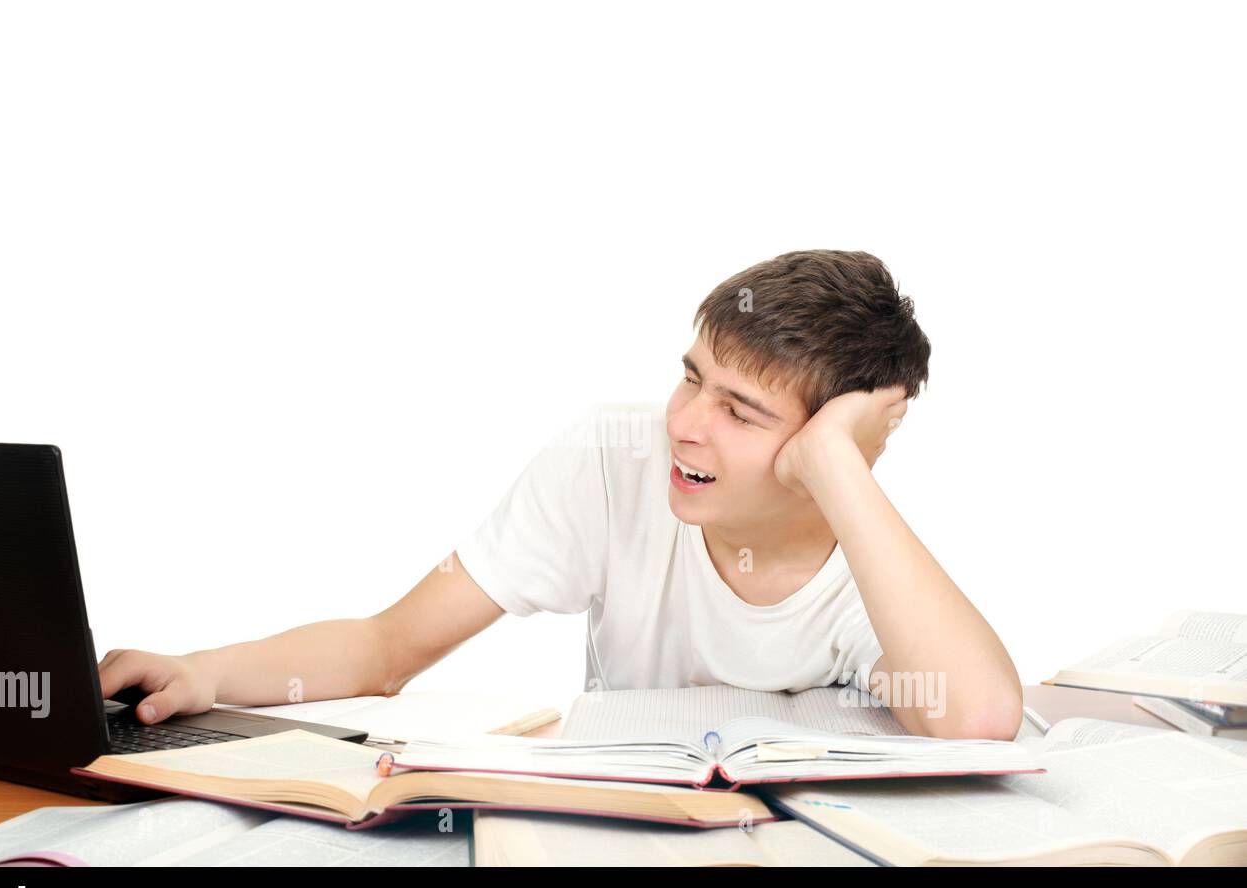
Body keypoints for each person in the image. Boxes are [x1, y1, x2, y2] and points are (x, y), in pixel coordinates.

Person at [98, 250, 1023, 740]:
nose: (685, 423)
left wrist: (838, 469)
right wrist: (206, 673)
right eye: (689, 376)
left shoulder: (875, 569)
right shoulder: (611, 459)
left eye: (741, 411)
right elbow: (388, 647)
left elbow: (978, 719)